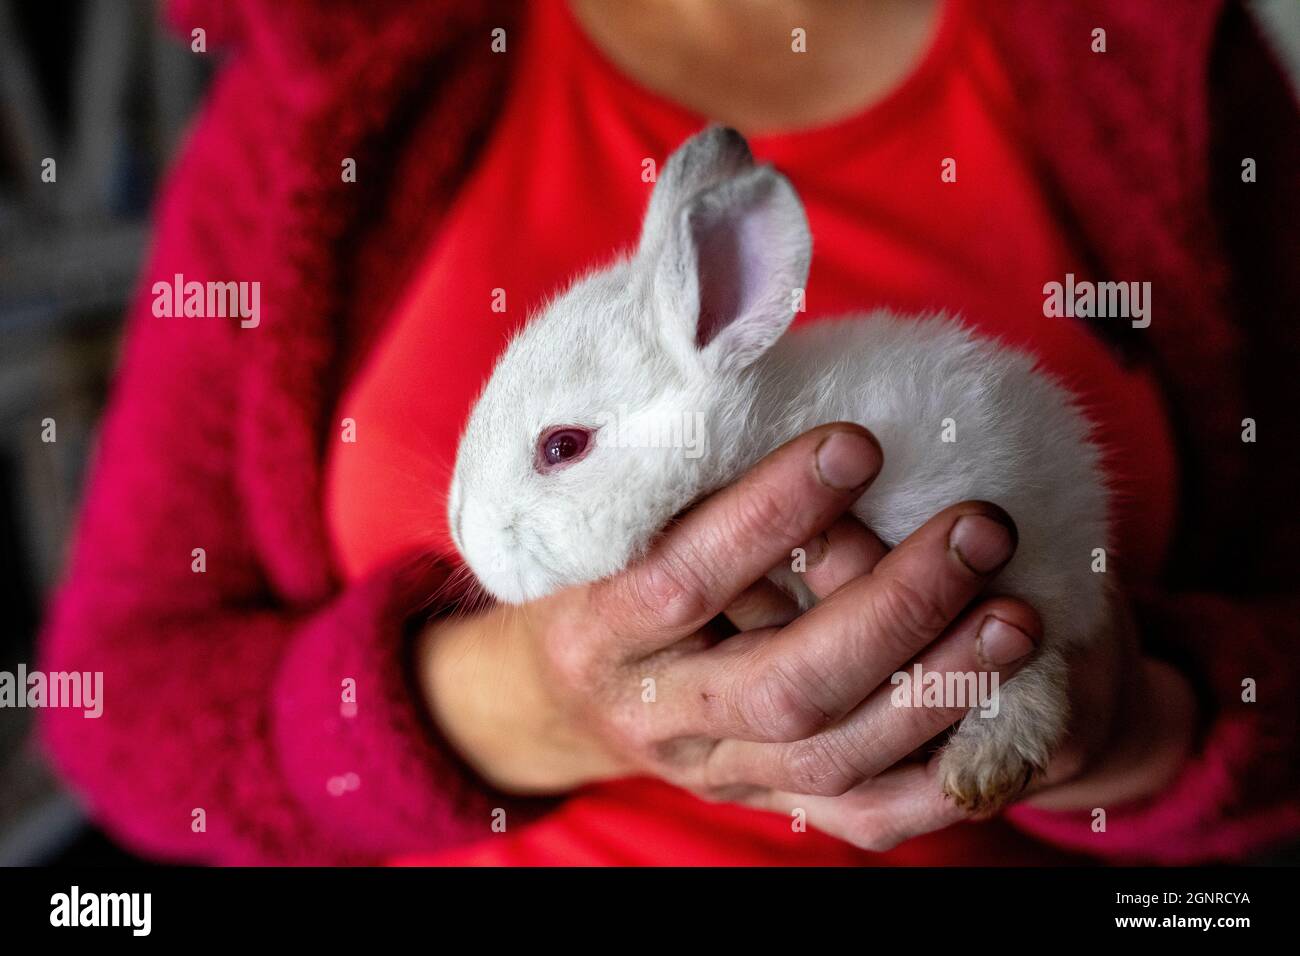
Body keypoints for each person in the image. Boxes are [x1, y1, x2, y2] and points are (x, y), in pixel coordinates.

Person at [39, 0, 1300, 865]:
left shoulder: (1154, 50)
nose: (469, 537)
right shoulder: (339, 68)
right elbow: (119, 708)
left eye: (562, 455)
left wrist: (1131, 726)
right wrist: (535, 701)